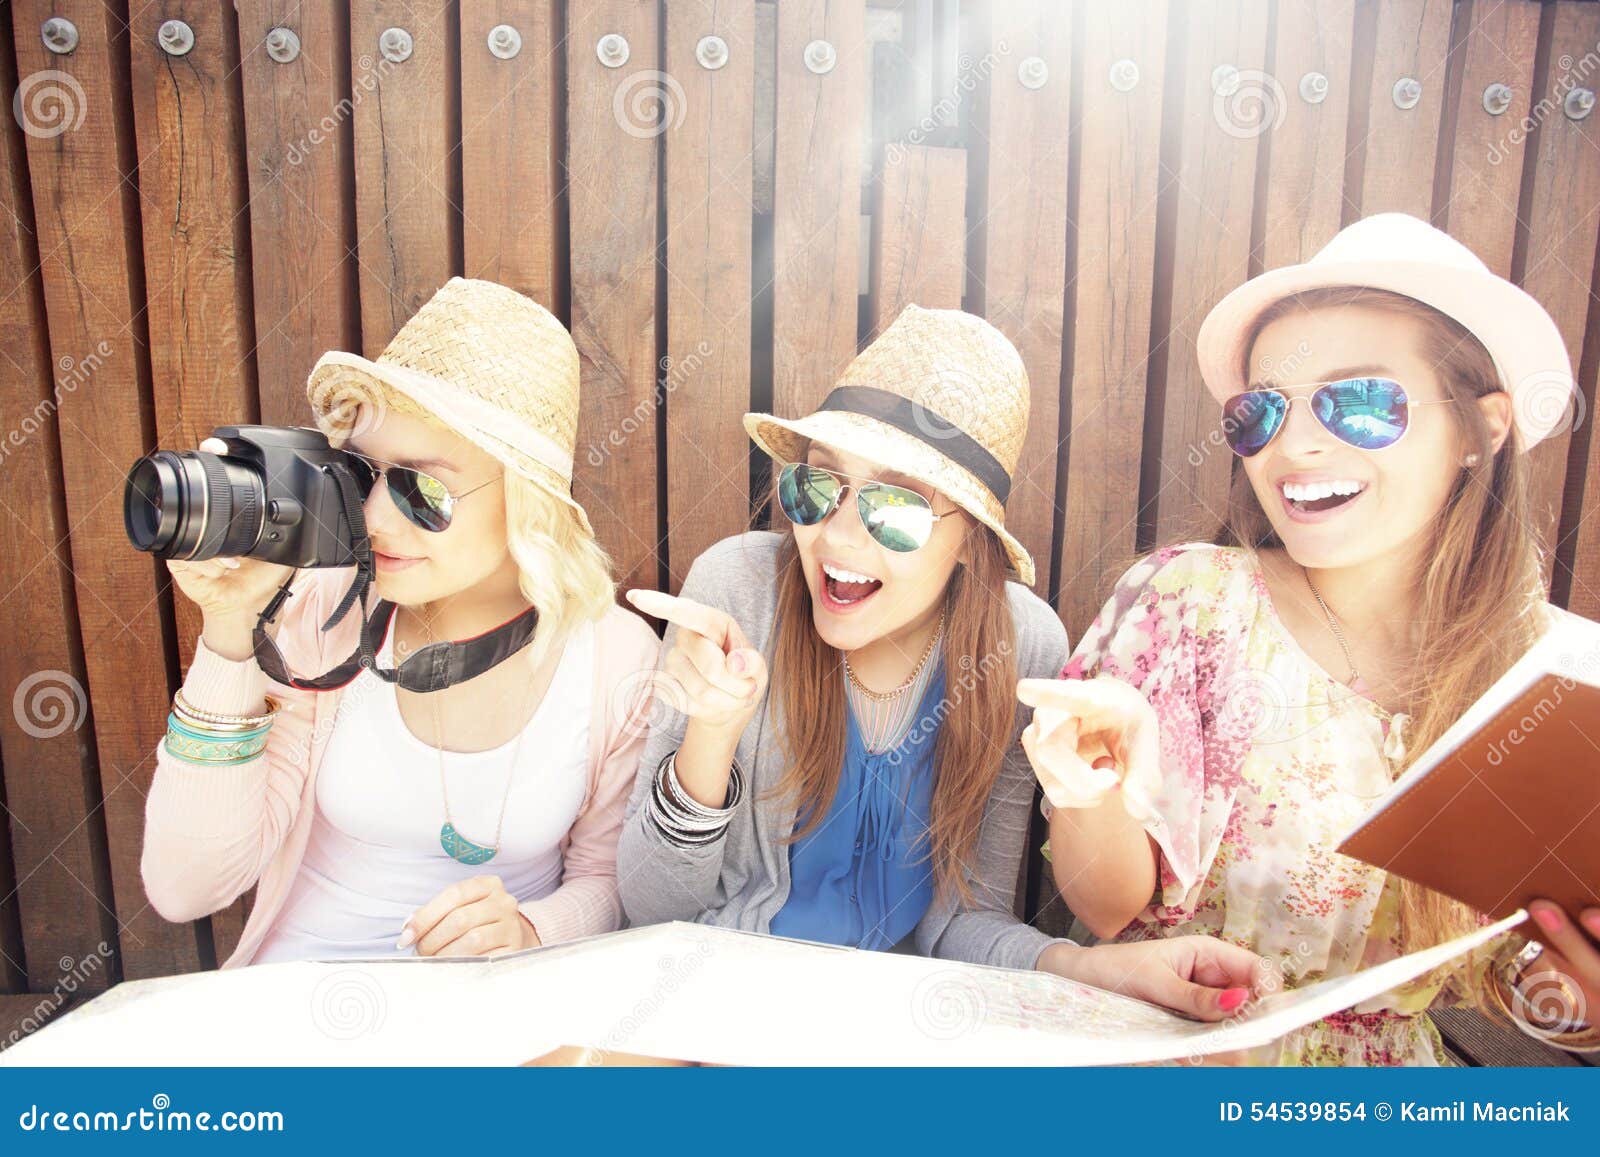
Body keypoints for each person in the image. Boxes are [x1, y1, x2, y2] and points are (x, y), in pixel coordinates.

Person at [1023, 213, 1600, 1063]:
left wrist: (1579, 1004)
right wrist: (1085, 785)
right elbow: (1105, 908)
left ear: (1484, 429)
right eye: (1261, 411)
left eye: (1361, 402)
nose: (1292, 444)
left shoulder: (1544, 679)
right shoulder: (1190, 599)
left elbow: (1512, 989)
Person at [618, 304, 1264, 1021]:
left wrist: (1092, 968)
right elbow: (651, 905)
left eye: (895, 507)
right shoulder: (737, 591)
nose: (837, 534)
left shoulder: (1020, 644)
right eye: (818, 486)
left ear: (968, 541)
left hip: (895, 1034)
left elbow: (960, 924)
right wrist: (708, 739)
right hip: (714, 1015)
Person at [140, 277, 659, 965]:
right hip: (298, 1014)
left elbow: (602, 879)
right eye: (365, 474)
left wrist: (533, 930)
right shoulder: (327, 610)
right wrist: (229, 633)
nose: (376, 517)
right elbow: (185, 889)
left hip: (488, 1027)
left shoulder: (615, 658)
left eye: (422, 488)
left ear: (526, 503)